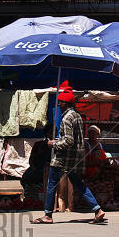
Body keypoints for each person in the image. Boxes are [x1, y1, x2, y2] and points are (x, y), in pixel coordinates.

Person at [36, 83, 106, 225]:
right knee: (79, 184)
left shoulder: (67, 118)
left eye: (61, 102)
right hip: (75, 158)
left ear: (66, 103)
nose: (59, 105)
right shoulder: (77, 116)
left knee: (51, 184)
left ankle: (48, 215)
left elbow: (68, 141)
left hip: (64, 158)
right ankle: (97, 210)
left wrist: (53, 144)